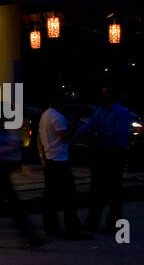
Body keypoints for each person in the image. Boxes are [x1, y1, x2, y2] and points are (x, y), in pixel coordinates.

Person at [0, 116, 43, 249]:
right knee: (12, 205)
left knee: (0, 205)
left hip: (0, 168)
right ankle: (28, 235)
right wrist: (12, 146)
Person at [81, 87, 133, 233]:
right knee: (97, 188)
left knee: (114, 189)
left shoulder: (121, 112)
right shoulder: (100, 111)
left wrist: (96, 134)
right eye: (104, 92)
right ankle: (93, 222)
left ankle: (113, 224)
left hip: (114, 152)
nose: (105, 95)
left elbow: (117, 133)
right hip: (100, 151)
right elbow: (88, 127)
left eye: (108, 92)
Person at [38, 93, 88, 239]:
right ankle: (71, 228)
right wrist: (75, 124)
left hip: (50, 159)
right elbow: (63, 137)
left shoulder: (45, 116)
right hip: (59, 160)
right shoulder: (57, 117)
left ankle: (52, 227)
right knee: (69, 196)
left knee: (50, 197)